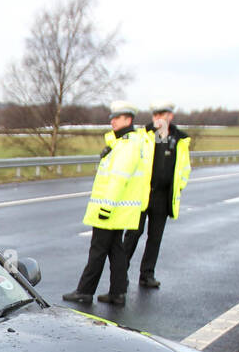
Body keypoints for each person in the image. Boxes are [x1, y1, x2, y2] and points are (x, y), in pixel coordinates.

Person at [63, 101, 151, 307]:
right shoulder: (124, 143)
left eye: (117, 117)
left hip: (111, 210)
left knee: (98, 250)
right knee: (116, 250)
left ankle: (85, 291)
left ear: (128, 119)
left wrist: (106, 207)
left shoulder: (128, 145)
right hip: (118, 210)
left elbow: (119, 179)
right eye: (112, 117)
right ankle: (118, 293)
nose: (112, 120)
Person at [123, 100, 191, 289]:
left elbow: (184, 168)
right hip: (142, 193)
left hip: (163, 196)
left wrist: (179, 186)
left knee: (155, 238)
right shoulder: (143, 136)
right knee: (133, 235)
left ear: (170, 116)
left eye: (163, 114)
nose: (159, 118)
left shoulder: (179, 140)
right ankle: (120, 274)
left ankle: (147, 275)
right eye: (156, 115)